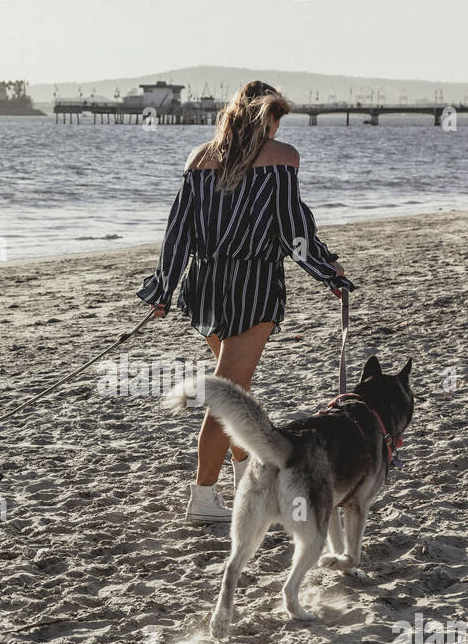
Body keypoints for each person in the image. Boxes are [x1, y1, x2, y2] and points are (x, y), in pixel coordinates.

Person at [137, 80, 354, 523]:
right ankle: (201, 498)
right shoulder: (282, 159)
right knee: (230, 394)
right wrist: (328, 272)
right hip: (252, 285)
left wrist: (164, 289)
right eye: (275, 122)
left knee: (238, 389)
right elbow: (294, 233)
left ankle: (243, 488)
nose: (276, 132)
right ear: (266, 117)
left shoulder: (199, 159)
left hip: (205, 287)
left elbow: (177, 234)